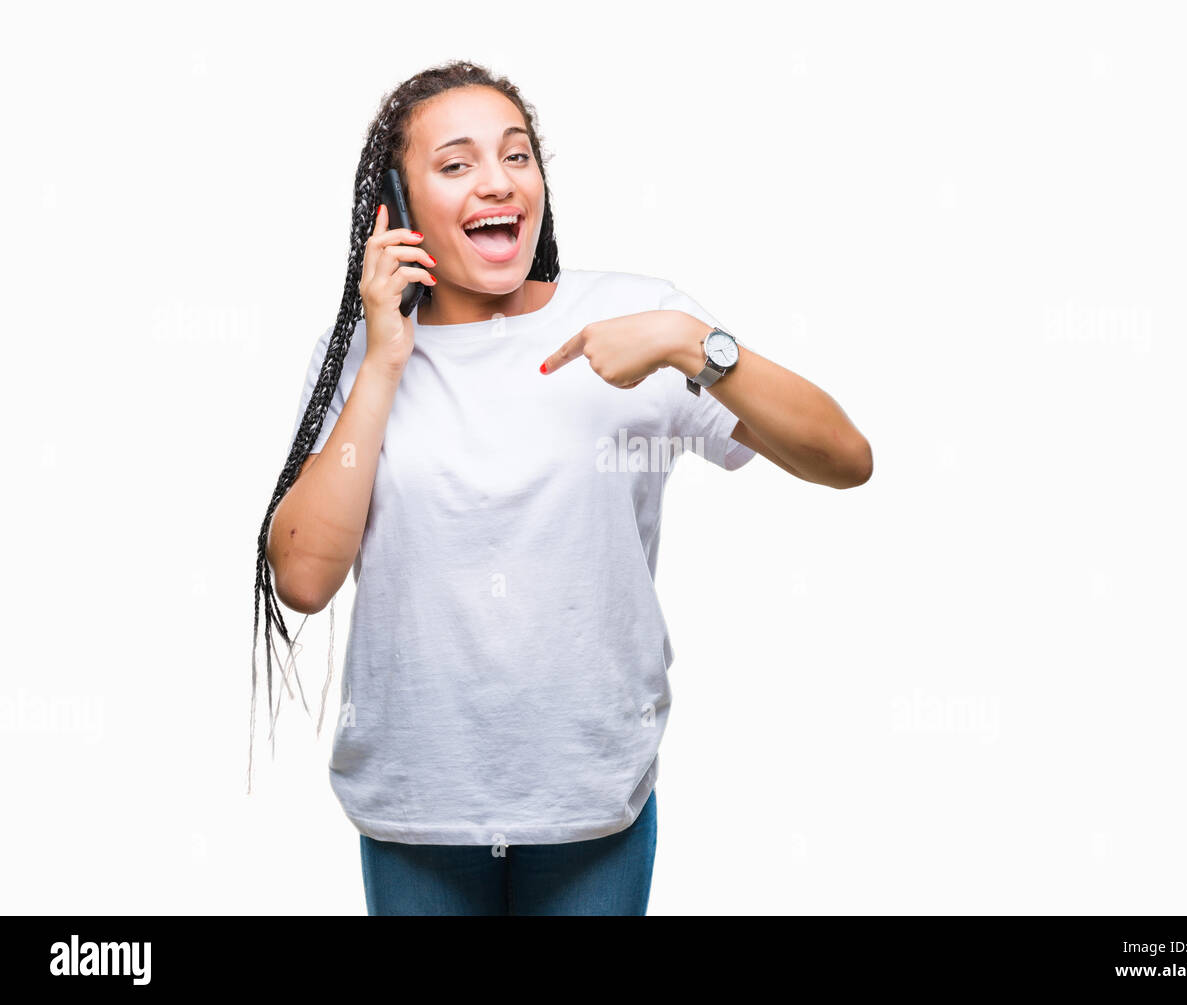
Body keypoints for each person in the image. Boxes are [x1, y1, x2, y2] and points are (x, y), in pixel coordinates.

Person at [251, 60, 872, 916]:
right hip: (417, 803)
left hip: (592, 798)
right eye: (457, 163)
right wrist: (386, 359)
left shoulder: (639, 318)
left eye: (517, 155)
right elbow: (303, 577)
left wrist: (690, 341)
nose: (497, 181)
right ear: (398, 205)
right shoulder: (363, 353)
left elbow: (843, 457)